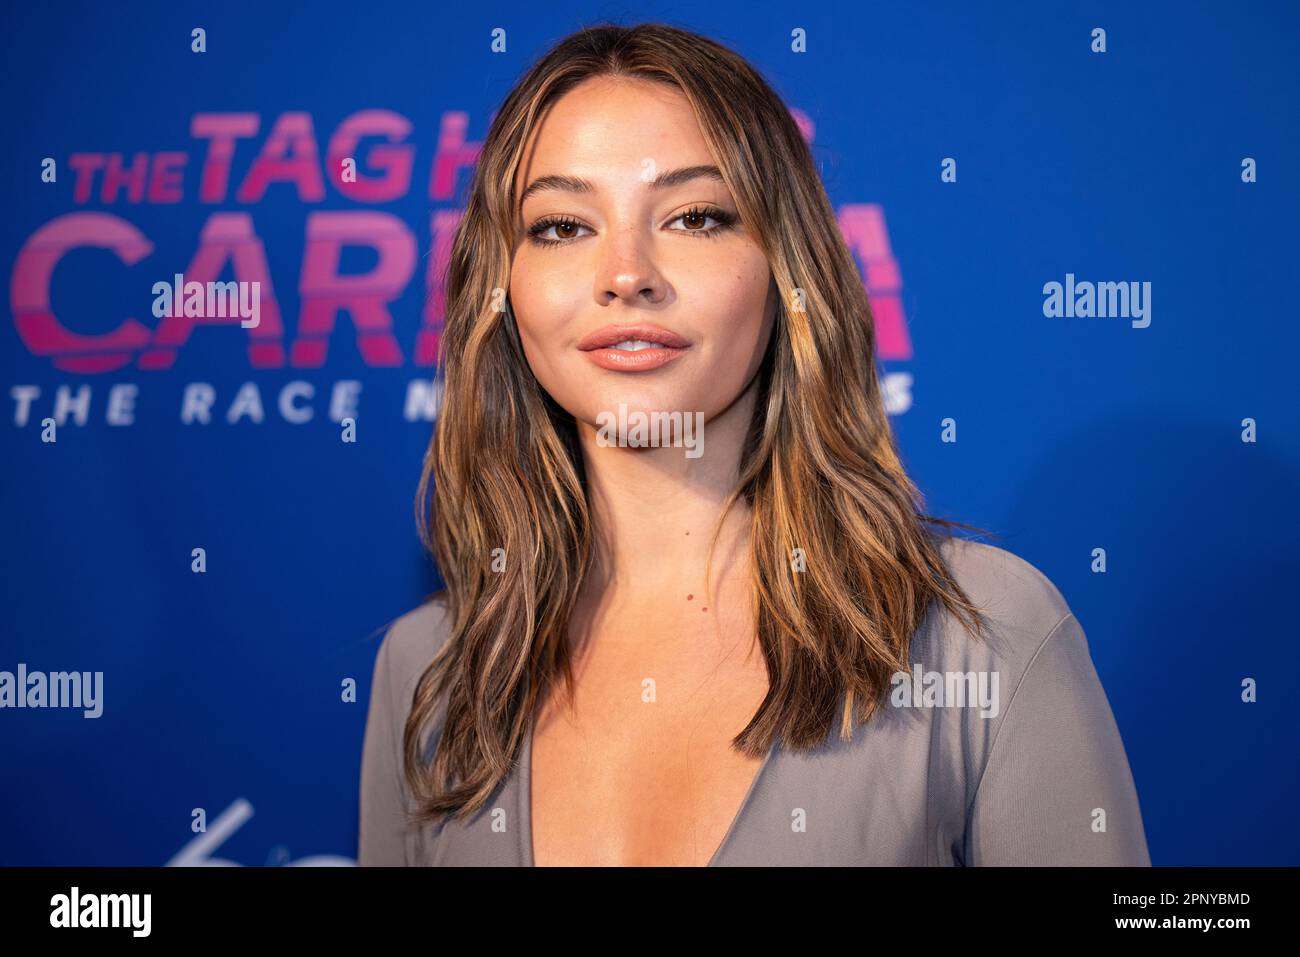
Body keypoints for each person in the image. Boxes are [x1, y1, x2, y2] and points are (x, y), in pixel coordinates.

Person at [359, 22, 1150, 866]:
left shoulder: (982, 631)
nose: (626, 273)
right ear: (500, 287)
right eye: (561, 225)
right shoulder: (430, 668)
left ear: (786, 268)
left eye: (696, 216)